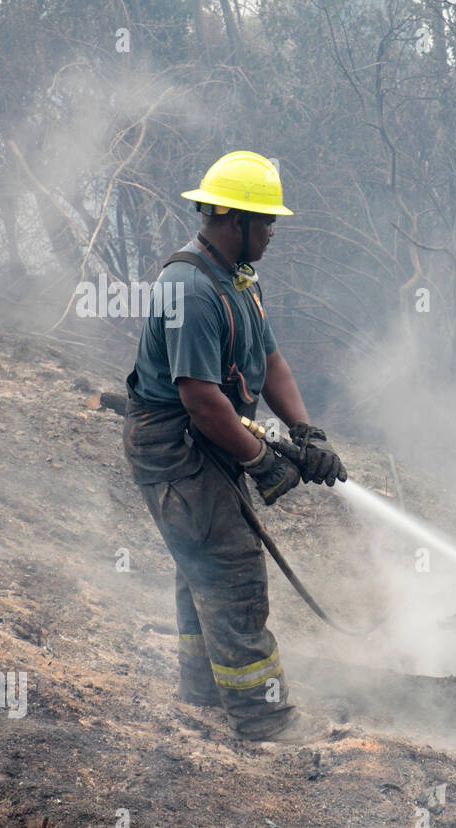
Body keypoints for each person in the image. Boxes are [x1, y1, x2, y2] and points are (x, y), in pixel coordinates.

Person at [122, 150, 346, 743]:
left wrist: (305, 432)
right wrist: (262, 460)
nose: (273, 231)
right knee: (229, 566)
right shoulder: (190, 290)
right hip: (177, 447)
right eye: (265, 220)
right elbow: (199, 399)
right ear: (231, 219)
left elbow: (270, 362)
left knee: (201, 559)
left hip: (209, 435)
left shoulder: (238, 281)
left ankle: (202, 692)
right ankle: (264, 718)